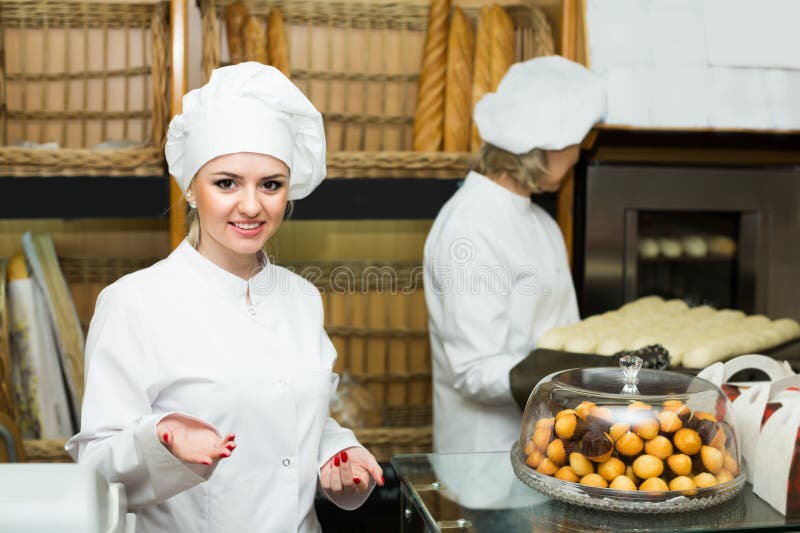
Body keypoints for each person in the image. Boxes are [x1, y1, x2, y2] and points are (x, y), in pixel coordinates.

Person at [66, 62, 383, 532]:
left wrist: (339, 453)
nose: (252, 206)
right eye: (227, 183)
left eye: (271, 185)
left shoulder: (300, 297)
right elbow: (96, 467)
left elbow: (293, 418)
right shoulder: (134, 303)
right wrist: (160, 439)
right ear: (192, 188)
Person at [423, 56, 606, 454]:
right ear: (543, 148)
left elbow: (564, 333)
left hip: (551, 452)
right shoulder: (470, 227)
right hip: (489, 461)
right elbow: (474, 372)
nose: (578, 154)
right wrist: (582, 377)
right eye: (578, 141)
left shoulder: (540, 223)